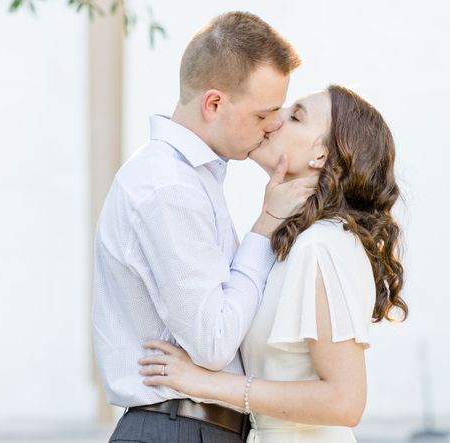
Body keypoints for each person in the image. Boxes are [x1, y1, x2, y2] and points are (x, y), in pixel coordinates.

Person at [93, 11, 319, 443]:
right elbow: (213, 341)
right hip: (178, 428)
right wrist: (265, 227)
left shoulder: (188, 179)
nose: (274, 125)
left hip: (189, 427)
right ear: (213, 104)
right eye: (263, 115)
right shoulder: (168, 187)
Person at [138, 85, 408, 442]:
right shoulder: (294, 242)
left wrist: (206, 383)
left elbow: (345, 401)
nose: (274, 118)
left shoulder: (323, 244)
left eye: (295, 116)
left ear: (321, 155)